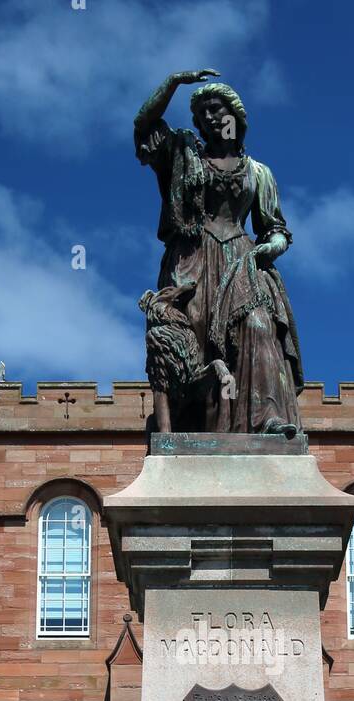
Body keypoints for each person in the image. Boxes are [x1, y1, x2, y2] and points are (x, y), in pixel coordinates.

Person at [134, 69, 304, 436]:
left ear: (235, 117)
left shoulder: (258, 172)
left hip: (243, 262)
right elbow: (144, 123)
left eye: (217, 109)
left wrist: (267, 250)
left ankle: (265, 421)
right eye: (203, 112)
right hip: (191, 262)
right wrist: (174, 83)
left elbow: (275, 228)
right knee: (186, 343)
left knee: (259, 328)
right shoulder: (182, 152)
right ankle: (186, 428)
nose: (210, 117)